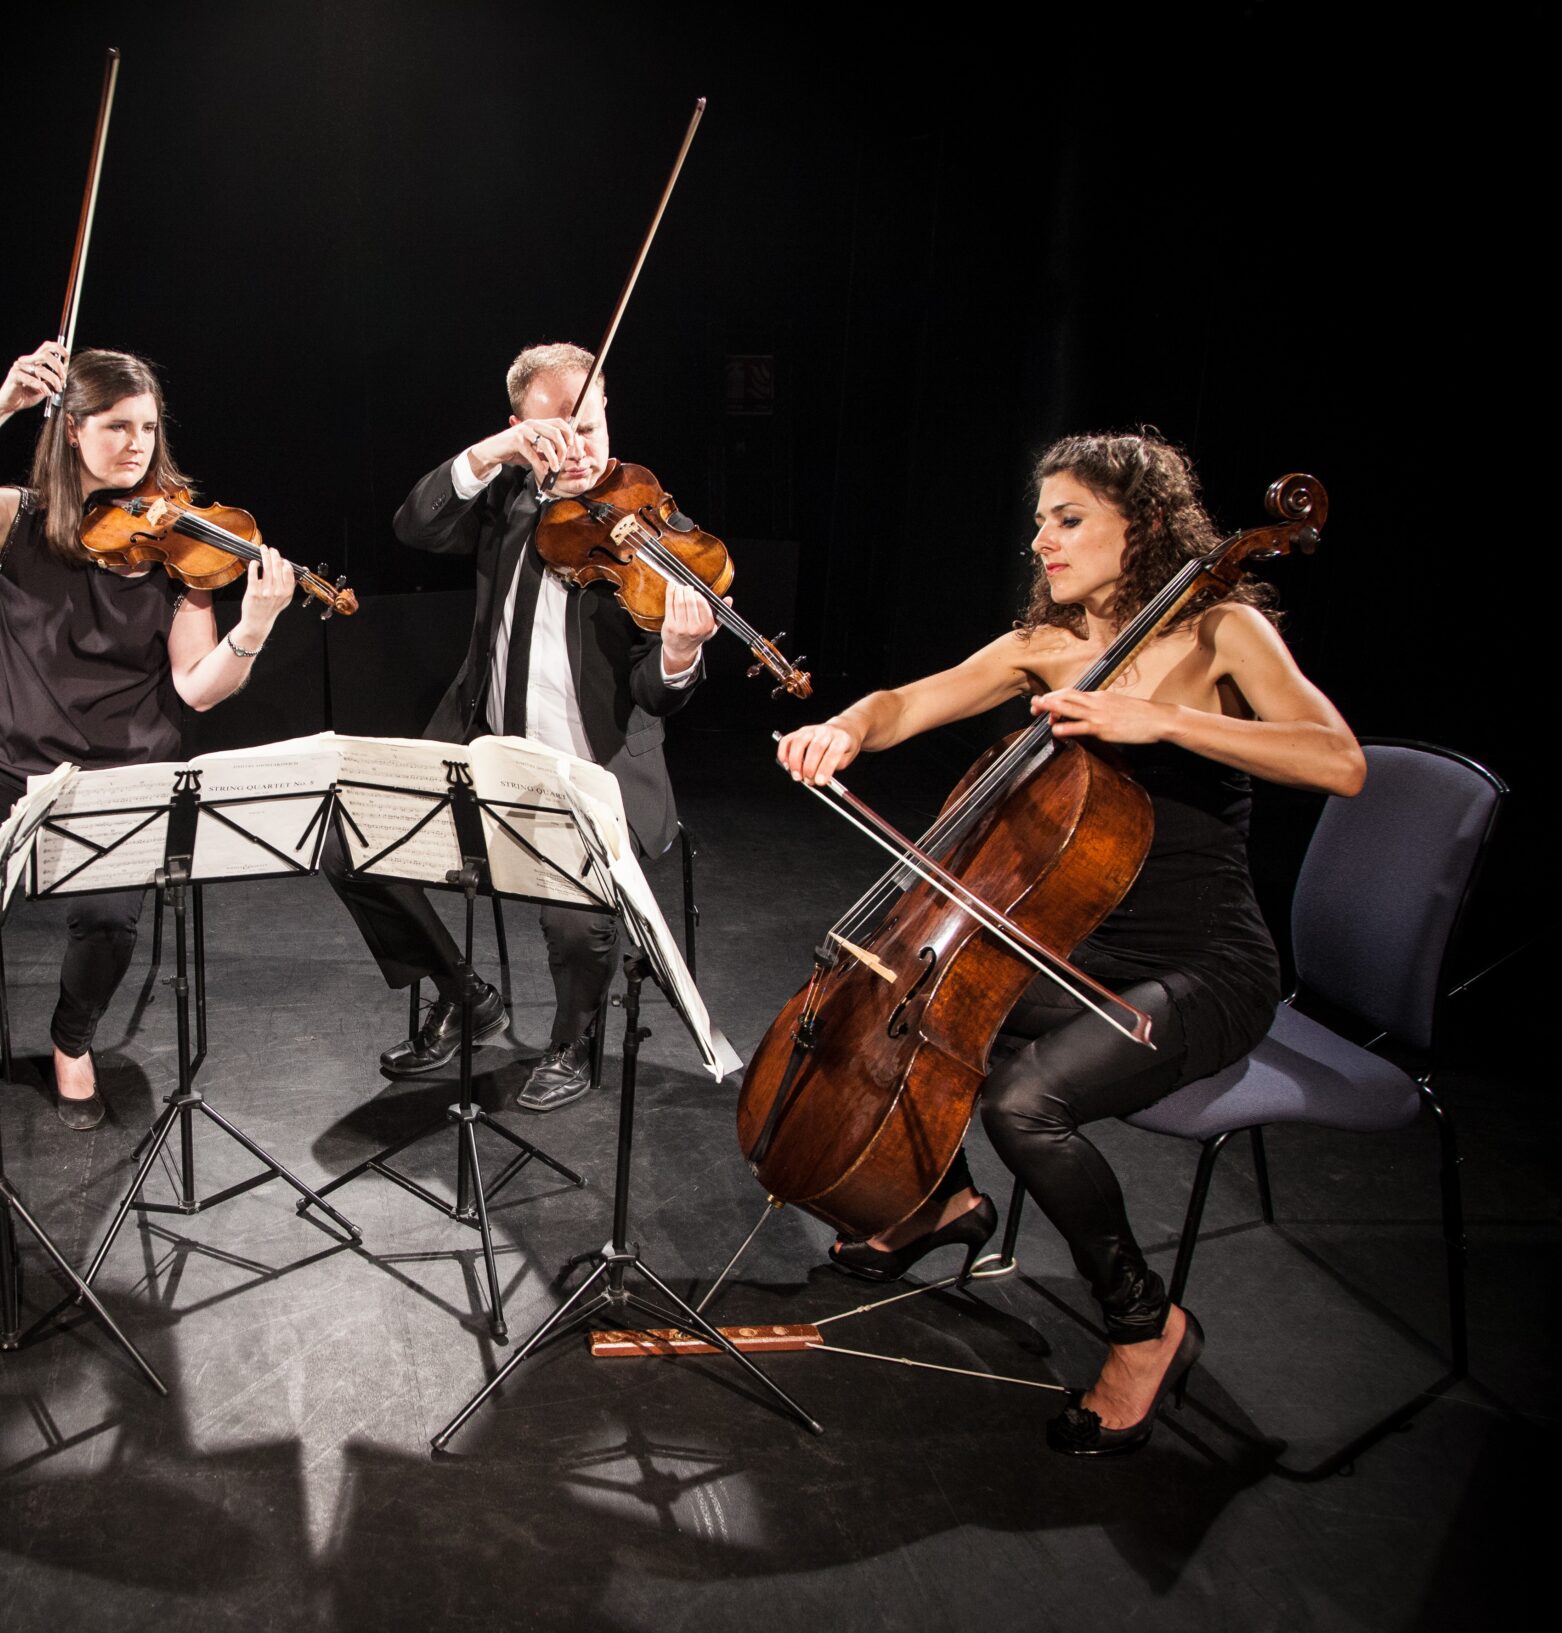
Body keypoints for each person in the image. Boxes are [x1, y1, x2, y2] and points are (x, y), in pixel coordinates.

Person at [773, 430, 1366, 1455]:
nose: (1040, 539)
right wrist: (849, 728)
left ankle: (1143, 1324)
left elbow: (1338, 761)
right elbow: (912, 699)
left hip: (1205, 970)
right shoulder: (1043, 644)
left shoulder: (1222, 631)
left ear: (1137, 524)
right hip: (1085, 958)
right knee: (931, 1004)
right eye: (1039, 518)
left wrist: (1168, 725)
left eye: (1068, 517)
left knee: (1024, 1100)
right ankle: (939, 1202)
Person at [0, 342, 295, 1129]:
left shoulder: (179, 547)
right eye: (118, 426)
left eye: (149, 428)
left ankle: (71, 1037)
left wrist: (254, 628)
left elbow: (197, 685)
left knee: (107, 922)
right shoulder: (20, 520)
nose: (138, 444)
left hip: (122, 777)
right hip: (6, 767)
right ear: (68, 428)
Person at [328, 343, 717, 1112]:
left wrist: (676, 657)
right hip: (480, 754)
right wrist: (494, 453)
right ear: (521, 430)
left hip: (591, 775)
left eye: (593, 430)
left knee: (575, 927)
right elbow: (414, 522)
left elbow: (654, 693)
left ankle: (572, 1039)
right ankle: (465, 994)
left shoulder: (652, 530)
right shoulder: (506, 498)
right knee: (350, 844)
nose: (580, 453)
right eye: (555, 435)